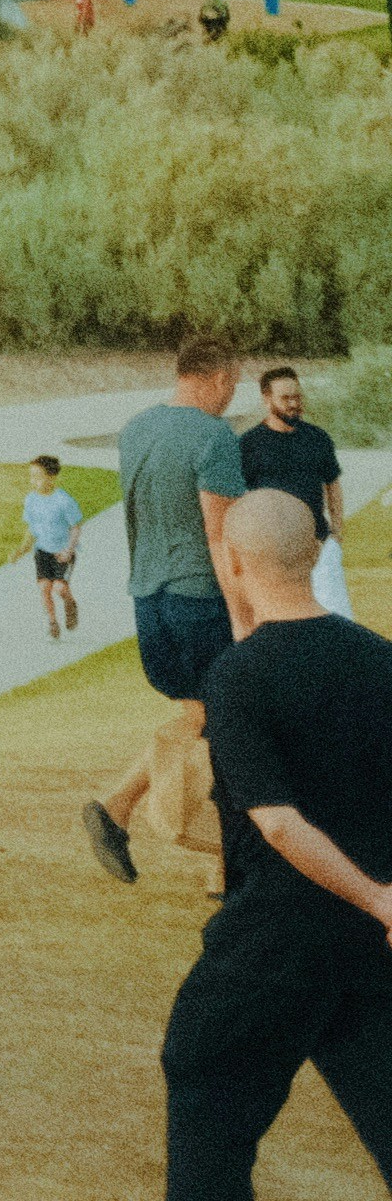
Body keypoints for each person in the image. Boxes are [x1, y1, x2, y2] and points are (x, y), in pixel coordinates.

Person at [170, 486, 392, 1197]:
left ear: (230, 560)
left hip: (274, 945)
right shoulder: (381, 661)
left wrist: (381, 899)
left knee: (205, 1100)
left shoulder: (239, 678)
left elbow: (278, 822)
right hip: (366, 953)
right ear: (320, 550)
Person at [102, 340, 257, 882]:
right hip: (199, 604)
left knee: (205, 718)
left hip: (148, 602)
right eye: (233, 384)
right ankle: (225, 863)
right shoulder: (214, 436)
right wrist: (243, 617)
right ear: (217, 378)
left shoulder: (136, 428)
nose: (230, 396)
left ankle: (119, 812)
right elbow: (221, 537)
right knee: (236, 721)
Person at [252, 366, 350, 627]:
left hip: (319, 546)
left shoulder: (317, 438)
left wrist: (336, 533)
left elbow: (332, 485)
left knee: (336, 622)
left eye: (297, 397)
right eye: (286, 398)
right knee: (282, 626)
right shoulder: (249, 445)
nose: (294, 404)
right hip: (273, 553)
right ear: (266, 398)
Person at [34, 456, 94, 641]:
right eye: (32, 477)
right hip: (42, 551)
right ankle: (52, 622)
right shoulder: (32, 500)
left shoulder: (64, 500)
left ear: (51, 477)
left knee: (59, 588)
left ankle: (70, 604)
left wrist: (69, 549)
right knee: (44, 587)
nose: (33, 481)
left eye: (38, 477)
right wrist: (21, 549)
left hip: (62, 552)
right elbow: (31, 527)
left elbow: (76, 526)